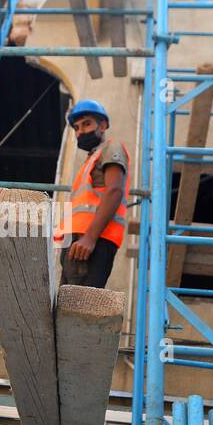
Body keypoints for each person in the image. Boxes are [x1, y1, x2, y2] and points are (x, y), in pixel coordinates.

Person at [54, 99, 129, 289]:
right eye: (77, 128)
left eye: (87, 124)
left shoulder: (111, 148)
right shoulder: (91, 159)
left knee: (79, 307)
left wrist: (89, 238)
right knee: (67, 306)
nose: (80, 131)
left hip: (90, 242)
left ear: (103, 125)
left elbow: (115, 190)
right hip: (78, 242)